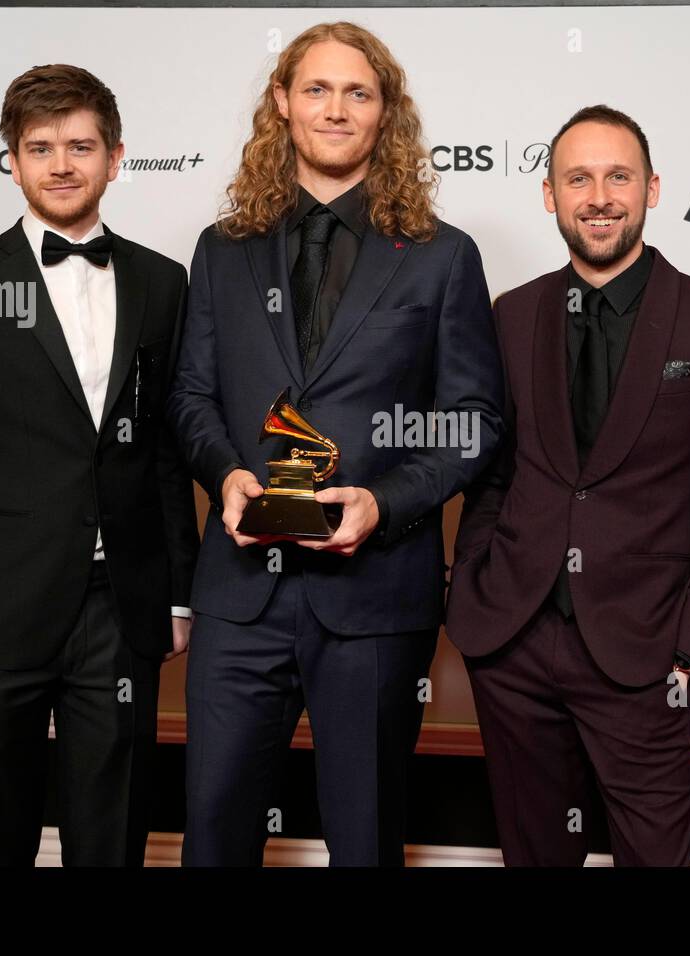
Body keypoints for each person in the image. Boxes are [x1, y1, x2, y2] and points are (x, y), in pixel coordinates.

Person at [168, 22, 504, 867]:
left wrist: (382, 503)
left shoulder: (441, 257)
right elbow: (191, 396)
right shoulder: (223, 250)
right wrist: (228, 474)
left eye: (359, 92)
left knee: (365, 838)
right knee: (213, 832)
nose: (336, 109)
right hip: (240, 593)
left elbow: (475, 421)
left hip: (376, 596)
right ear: (281, 103)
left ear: (385, 112)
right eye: (316, 89)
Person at [0, 64, 199, 866]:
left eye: (81, 146)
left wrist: (177, 595)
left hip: (119, 609)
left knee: (114, 834)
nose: (62, 163)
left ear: (115, 156)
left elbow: (162, 451)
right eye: (41, 147)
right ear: (13, 162)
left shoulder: (163, 284)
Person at [446, 105, 690, 866]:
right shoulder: (514, 314)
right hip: (513, 645)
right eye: (578, 178)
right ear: (549, 195)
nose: (600, 196)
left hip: (645, 654)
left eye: (618, 176)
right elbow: (491, 475)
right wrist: (477, 592)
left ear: (653, 189)